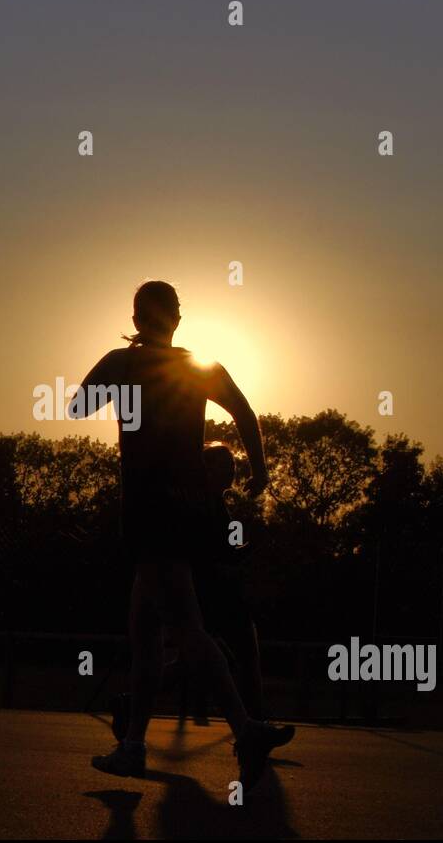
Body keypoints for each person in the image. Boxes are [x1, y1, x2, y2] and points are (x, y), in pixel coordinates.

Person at [73, 280, 292, 788]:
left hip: (150, 511)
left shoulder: (123, 363)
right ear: (177, 317)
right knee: (145, 630)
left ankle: (244, 727)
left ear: (135, 318)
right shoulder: (200, 367)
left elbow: (79, 406)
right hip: (188, 513)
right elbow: (244, 411)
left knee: (187, 627)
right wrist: (258, 473)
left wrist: (119, 374)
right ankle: (132, 745)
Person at [108, 442, 268, 740]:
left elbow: (227, 553)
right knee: (234, 652)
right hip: (203, 594)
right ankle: (254, 725)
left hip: (215, 593)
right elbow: (206, 555)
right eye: (224, 465)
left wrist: (247, 549)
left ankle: (131, 704)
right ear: (204, 469)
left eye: (232, 466)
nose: (231, 471)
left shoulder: (218, 506)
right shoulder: (196, 505)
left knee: (195, 662)